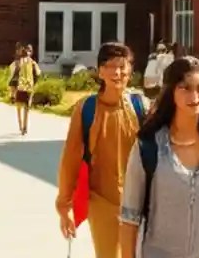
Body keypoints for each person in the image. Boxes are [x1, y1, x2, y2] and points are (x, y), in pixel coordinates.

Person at [119, 56, 199, 258]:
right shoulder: (148, 146)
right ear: (171, 92)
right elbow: (130, 215)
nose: (195, 96)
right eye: (185, 88)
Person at [56, 42, 148, 258]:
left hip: (140, 202)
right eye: (110, 66)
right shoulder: (86, 109)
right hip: (102, 201)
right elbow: (71, 159)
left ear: (130, 72)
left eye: (122, 67)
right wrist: (64, 203)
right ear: (100, 71)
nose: (117, 72)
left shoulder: (140, 106)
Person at [9, 44, 43, 136]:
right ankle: (22, 126)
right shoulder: (25, 62)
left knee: (24, 108)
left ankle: (24, 126)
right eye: (27, 50)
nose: (28, 52)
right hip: (24, 87)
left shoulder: (29, 62)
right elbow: (39, 73)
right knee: (22, 108)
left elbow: (38, 73)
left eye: (29, 50)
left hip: (26, 88)